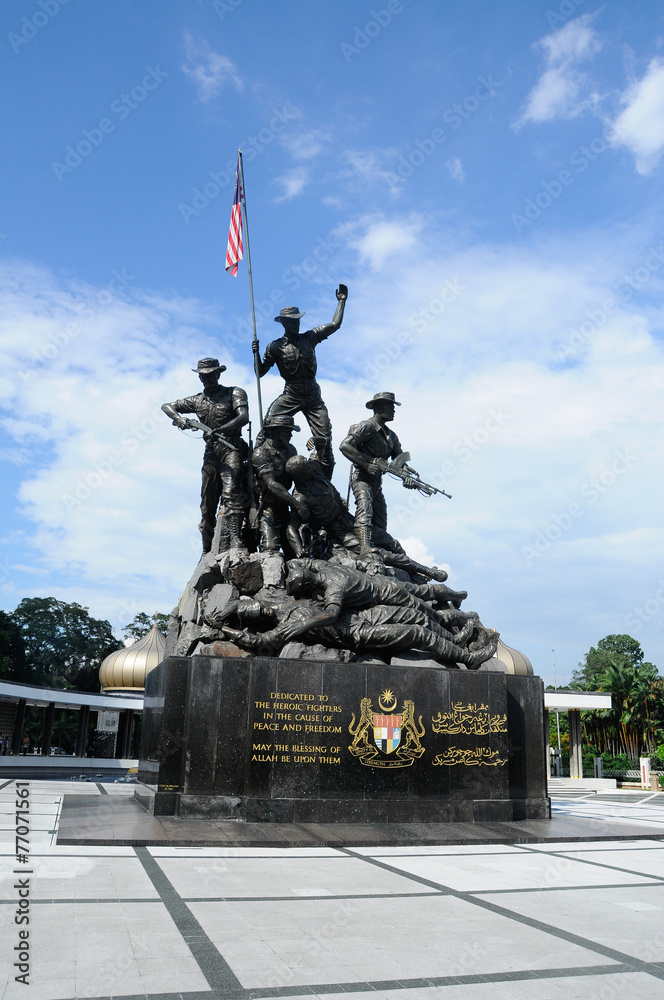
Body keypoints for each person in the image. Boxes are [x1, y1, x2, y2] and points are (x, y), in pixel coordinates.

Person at [252, 285, 348, 479]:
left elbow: (335, 324)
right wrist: (256, 353)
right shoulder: (275, 346)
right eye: (292, 321)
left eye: (297, 321)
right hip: (291, 393)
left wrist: (341, 302)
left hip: (313, 394)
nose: (295, 324)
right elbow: (260, 373)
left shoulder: (310, 337)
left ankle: (324, 482)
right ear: (284, 323)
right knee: (268, 425)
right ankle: (256, 465)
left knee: (325, 438)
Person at [162, 358, 249, 552]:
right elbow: (166, 406)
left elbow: (244, 417)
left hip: (231, 449)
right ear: (200, 377)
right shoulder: (196, 400)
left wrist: (221, 430)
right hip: (211, 454)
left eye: (211, 375)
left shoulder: (234, 393)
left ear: (218, 374)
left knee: (231, 493)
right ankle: (206, 549)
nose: (208, 378)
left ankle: (236, 540)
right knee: (207, 504)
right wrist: (179, 419)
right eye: (204, 376)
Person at [340, 391, 417, 553]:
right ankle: (365, 548)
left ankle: (381, 551)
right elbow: (345, 446)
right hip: (362, 478)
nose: (394, 411)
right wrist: (367, 465)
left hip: (376, 483)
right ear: (380, 408)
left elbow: (399, 458)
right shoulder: (367, 426)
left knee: (380, 521)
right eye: (391, 407)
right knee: (365, 509)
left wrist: (406, 474)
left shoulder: (392, 436)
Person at [251, 415, 307, 555]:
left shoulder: (290, 450)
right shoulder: (261, 453)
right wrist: (297, 505)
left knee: (295, 551)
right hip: (267, 508)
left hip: (285, 505)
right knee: (270, 548)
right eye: (287, 432)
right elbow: (271, 484)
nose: (291, 435)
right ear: (276, 431)